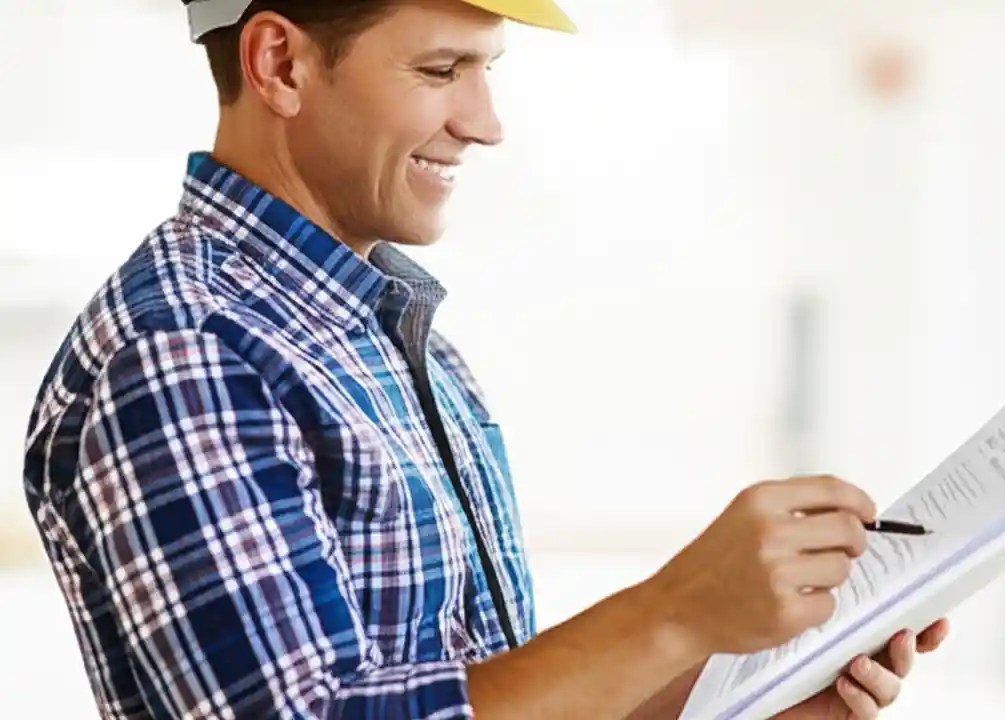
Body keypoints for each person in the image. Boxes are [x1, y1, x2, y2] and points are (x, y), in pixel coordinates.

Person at [22, 1, 949, 717]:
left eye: (487, 70)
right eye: (441, 69)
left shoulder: (387, 330)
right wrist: (674, 609)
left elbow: (465, 694)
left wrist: (732, 695)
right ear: (280, 62)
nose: (486, 122)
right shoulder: (187, 349)